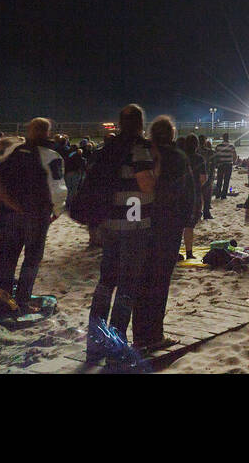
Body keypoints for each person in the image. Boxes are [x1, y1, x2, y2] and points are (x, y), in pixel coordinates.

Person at [88, 105, 156, 355]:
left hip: (110, 221)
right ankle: (116, 340)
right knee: (127, 283)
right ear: (140, 123)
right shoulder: (138, 147)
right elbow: (145, 184)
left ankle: (95, 339)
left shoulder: (109, 147)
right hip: (133, 221)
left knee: (106, 281)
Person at [134, 116, 193, 350]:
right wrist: (186, 220)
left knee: (142, 280)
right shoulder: (177, 157)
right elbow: (187, 193)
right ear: (172, 134)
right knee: (159, 282)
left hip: (142, 223)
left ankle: (139, 334)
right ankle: (154, 335)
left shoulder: (144, 155)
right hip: (168, 225)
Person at [0, 119, 56, 310]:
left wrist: (11, 204)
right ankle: (23, 299)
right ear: (47, 132)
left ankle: (4, 298)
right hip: (37, 214)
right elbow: (56, 187)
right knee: (32, 258)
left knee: (8, 257)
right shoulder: (50, 154)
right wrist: (56, 210)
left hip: (12, 213)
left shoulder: (13, 153)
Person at [180, 134, 206, 259]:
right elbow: (203, 178)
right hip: (193, 193)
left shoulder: (180, 157)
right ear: (196, 145)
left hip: (179, 193)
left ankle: (176, 251)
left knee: (179, 224)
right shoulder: (199, 159)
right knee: (189, 225)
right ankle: (189, 253)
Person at [213, 133, 237, 199]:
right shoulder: (231, 146)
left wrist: (217, 163)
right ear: (228, 138)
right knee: (226, 180)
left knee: (219, 180)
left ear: (222, 138)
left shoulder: (218, 146)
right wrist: (234, 162)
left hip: (220, 165)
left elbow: (215, 156)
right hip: (229, 165)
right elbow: (235, 156)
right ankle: (223, 195)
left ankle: (218, 194)